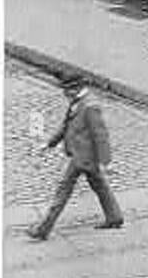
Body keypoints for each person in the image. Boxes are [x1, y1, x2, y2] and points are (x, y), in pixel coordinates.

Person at [28, 74, 123, 240]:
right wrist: (49, 144)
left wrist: (106, 162)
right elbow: (65, 126)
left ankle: (43, 229)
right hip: (82, 155)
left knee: (62, 191)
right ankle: (114, 217)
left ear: (76, 88)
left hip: (83, 157)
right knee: (100, 186)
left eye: (67, 90)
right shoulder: (78, 102)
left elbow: (100, 135)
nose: (65, 94)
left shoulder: (90, 106)